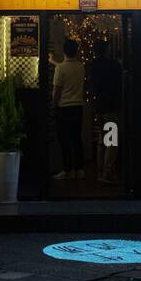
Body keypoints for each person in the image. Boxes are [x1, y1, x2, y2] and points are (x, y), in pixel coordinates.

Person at [86, 38, 123, 183]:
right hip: (111, 107)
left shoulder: (93, 65)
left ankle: (100, 171)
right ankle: (108, 171)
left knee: (102, 139)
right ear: (106, 49)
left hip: (99, 106)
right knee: (111, 140)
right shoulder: (112, 65)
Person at [50, 38, 86, 179]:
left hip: (64, 108)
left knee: (64, 140)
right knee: (76, 139)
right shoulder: (80, 66)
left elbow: (56, 90)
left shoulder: (61, 68)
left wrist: (54, 105)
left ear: (64, 51)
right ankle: (79, 169)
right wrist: (54, 63)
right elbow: (67, 68)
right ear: (75, 51)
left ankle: (67, 170)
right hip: (77, 107)